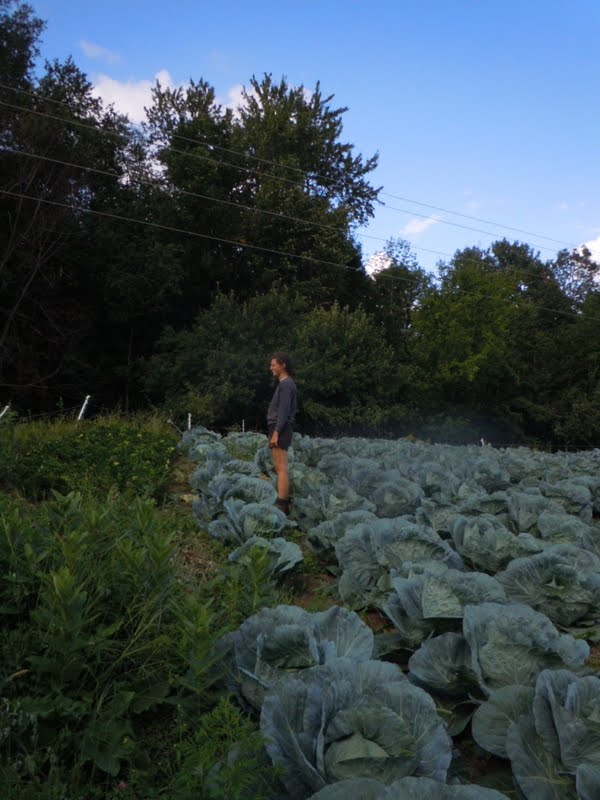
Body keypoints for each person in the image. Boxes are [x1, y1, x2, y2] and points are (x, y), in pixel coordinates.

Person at [267, 352, 297, 515]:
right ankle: (282, 503)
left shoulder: (286, 385)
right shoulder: (285, 384)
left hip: (281, 428)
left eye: (273, 365)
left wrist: (276, 432)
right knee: (280, 467)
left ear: (282, 365)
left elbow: (284, 412)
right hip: (280, 427)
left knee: (281, 468)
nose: (271, 368)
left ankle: (282, 505)